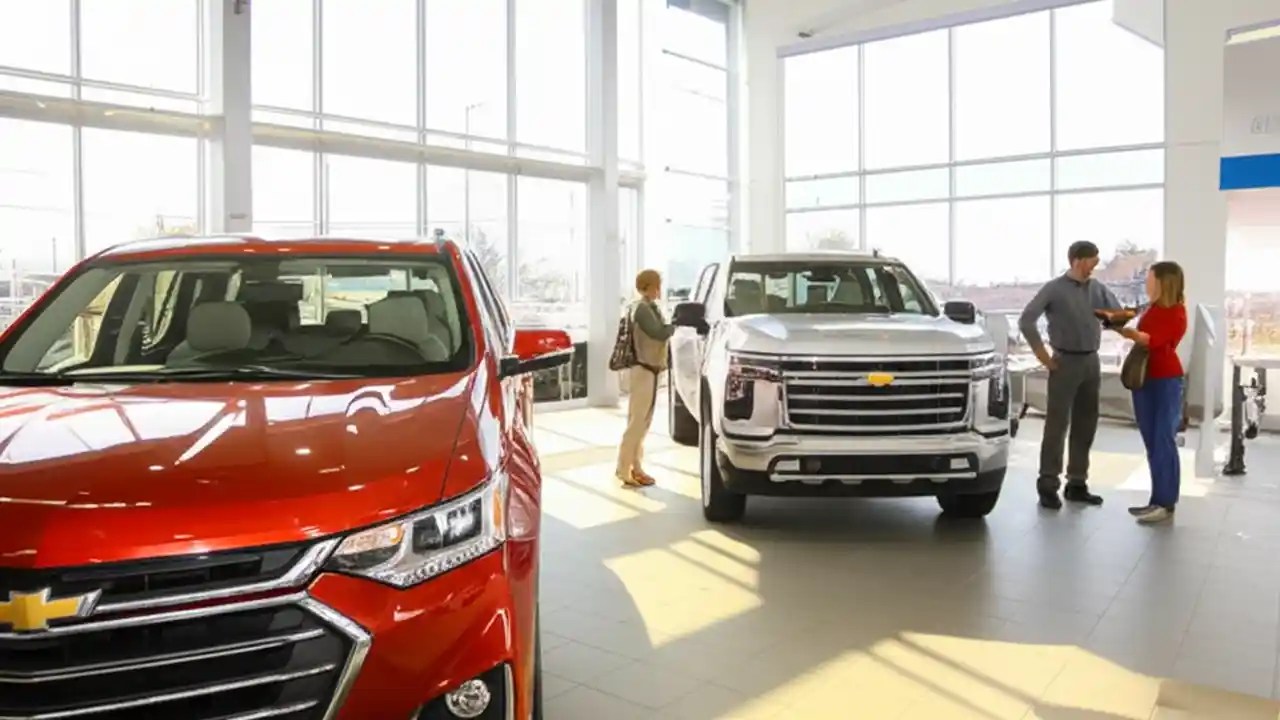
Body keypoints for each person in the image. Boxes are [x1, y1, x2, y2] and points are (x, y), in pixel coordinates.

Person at [1019, 240, 1128, 510]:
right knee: (1056, 425)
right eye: (1093, 260)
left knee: (1086, 424)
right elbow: (1026, 320)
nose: (1095, 266)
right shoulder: (1054, 289)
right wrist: (1043, 357)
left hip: (1091, 361)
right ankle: (1047, 485)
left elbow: (1118, 316)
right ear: (1078, 260)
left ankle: (1077, 483)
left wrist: (1116, 317)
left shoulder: (1097, 288)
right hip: (1064, 362)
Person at [1104, 262, 1188, 524]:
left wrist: (1128, 332)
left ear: (1164, 281)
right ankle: (1157, 500)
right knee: (1152, 440)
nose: (1147, 282)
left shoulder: (1176, 312)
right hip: (1146, 379)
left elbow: (1154, 341)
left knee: (1163, 439)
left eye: (1151, 279)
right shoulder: (1153, 308)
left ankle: (1165, 501)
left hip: (1165, 381)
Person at [616, 269, 673, 488]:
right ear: (648, 286)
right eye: (656, 285)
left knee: (643, 422)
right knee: (637, 421)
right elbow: (658, 332)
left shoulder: (649, 307)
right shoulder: (641, 308)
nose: (659, 289)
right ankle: (623, 468)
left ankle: (635, 466)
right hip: (643, 369)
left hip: (651, 369)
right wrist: (675, 324)